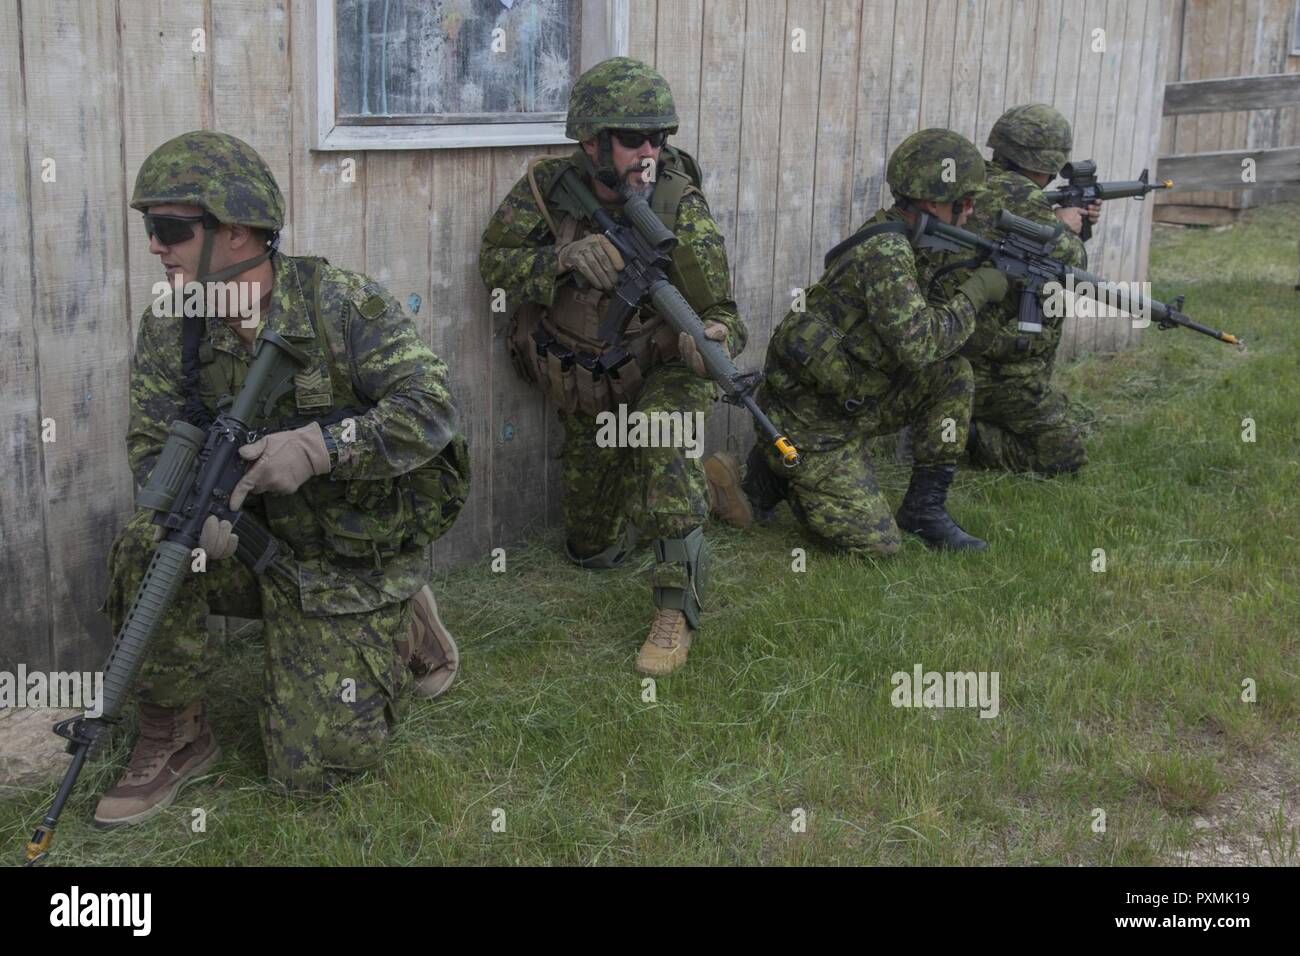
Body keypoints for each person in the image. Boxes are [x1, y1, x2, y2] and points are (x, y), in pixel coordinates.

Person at [96, 130, 468, 826]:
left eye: (169, 228)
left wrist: (321, 447)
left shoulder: (342, 308)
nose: (154, 246)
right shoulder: (172, 325)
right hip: (251, 546)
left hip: (347, 554)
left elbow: (434, 409)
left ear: (237, 234)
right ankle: (172, 730)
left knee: (313, 770)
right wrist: (195, 517)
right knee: (148, 546)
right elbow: (150, 448)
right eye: (151, 229)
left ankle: (401, 620)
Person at [479, 57, 747, 676]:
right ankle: (708, 482)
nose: (648, 150)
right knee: (591, 550)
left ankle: (674, 611)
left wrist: (710, 338)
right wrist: (560, 260)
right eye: (633, 138)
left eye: (659, 137)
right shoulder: (549, 190)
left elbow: (725, 315)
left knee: (662, 438)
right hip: (590, 381)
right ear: (591, 141)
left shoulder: (678, 204)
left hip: (663, 370)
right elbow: (494, 261)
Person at [740, 129, 1011, 555]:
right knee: (877, 546)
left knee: (952, 375)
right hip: (812, 420)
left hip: (854, 401)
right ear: (932, 202)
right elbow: (918, 344)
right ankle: (781, 471)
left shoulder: (919, 242)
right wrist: (975, 294)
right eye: (964, 201)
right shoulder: (886, 250)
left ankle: (925, 509)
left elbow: (939, 342)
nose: (971, 211)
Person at [940, 103, 1098, 476]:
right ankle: (966, 436)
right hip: (996, 365)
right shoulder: (1022, 197)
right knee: (1064, 456)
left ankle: (958, 419)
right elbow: (1071, 267)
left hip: (957, 345)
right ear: (1049, 163)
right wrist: (1068, 228)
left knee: (1053, 411)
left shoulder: (974, 180)